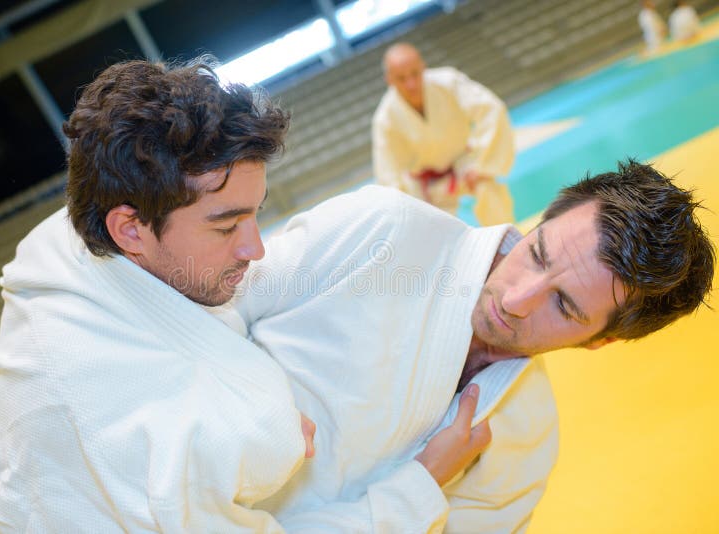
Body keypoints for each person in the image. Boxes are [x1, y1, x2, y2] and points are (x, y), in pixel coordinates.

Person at [0, 59, 487, 533]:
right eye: (226, 227)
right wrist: (423, 483)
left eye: (255, 215)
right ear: (130, 229)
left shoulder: (62, 245)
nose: (255, 248)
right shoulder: (151, 445)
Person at [215, 160, 714, 532]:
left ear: (598, 341)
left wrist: (420, 485)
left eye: (563, 305)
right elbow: (206, 308)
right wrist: (253, 398)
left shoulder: (525, 441)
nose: (516, 300)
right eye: (537, 253)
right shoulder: (384, 230)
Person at [371, 42, 515, 225]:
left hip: (464, 164)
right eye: (401, 78)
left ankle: (507, 240)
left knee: (488, 189)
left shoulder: (448, 82)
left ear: (423, 67)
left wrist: (483, 165)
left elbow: (491, 109)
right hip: (422, 184)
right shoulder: (385, 118)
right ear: (389, 79)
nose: (411, 84)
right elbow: (388, 173)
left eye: (415, 73)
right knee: (418, 225)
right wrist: (403, 209)